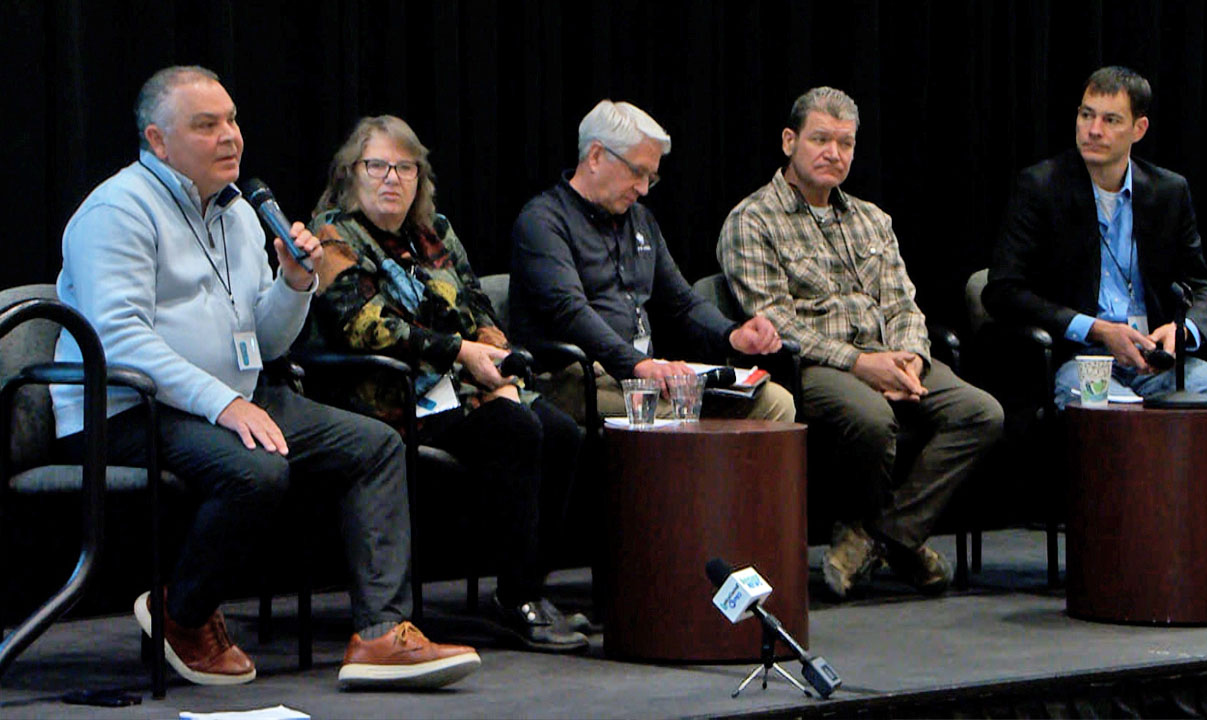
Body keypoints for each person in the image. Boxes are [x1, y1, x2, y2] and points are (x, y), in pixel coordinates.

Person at [51, 66, 480, 689]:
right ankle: (181, 614)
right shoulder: (116, 211)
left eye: (232, 120)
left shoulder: (237, 212)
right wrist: (224, 404)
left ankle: (382, 634)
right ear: (158, 141)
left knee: (375, 445)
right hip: (124, 407)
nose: (230, 137)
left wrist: (294, 284)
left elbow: (266, 341)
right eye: (207, 125)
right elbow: (118, 341)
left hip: (231, 397)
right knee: (256, 469)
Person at [308, 116, 589, 653]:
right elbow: (364, 326)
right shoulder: (332, 235)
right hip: (386, 394)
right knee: (515, 431)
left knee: (560, 433)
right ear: (350, 173)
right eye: (377, 166)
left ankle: (525, 588)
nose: (392, 178)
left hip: (461, 386)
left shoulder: (434, 231)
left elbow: (477, 304)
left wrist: (498, 364)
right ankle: (519, 597)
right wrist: (464, 354)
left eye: (405, 167)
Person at [717, 87, 1004, 597]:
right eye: (820, 140)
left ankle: (884, 536)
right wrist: (859, 364)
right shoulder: (752, 220)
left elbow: (902, 304)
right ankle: (900, 543)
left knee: (981, 412)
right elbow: (775, 322)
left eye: (845, 143)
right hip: (812, 366)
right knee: (872, 417)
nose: (834, 153)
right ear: (789, 141)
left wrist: (911, 359)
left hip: (890, 356)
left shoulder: (872, 218)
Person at [985, 66, 1207, 443]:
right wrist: (1098, 329)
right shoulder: (1041, 187)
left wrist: (1182, 331)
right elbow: (1002, 290)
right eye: (1086, 115)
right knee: (1128, 422)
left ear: (1138, 129)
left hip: (1157, 364)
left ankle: (1192, 481)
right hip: (1082, 360)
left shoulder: (1168, 191)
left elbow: (1200, 286)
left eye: (1110, 120)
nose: (1093, 130)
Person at [508, 100, 795, 423]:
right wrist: (637, 364)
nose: (644, 189)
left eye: (651, 177)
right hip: (574, 378)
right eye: (637, 172)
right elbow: (570, 312)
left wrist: (733, 334)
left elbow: (682, 302)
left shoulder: (640, 220)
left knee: (775, 402)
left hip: (639, 376)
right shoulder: (543, 222)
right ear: (596, 156)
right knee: (679, 412)